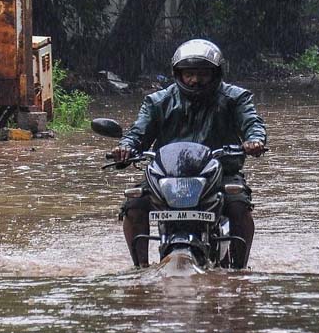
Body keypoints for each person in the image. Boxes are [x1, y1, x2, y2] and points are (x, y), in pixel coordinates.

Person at [112, 39, 267, 268]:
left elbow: (252, 122)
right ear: (178, 74)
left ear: (216, 73)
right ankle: (139, 268)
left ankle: (239, 271)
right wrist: (125, 147)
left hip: (220, 172)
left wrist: (255, 140)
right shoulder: (158, 101)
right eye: (189, 74)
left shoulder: (235, 98)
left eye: (202, 74)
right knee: (134, 204)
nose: (195, 80)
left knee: (238, 204)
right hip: (166, 174)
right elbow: (138, 132)